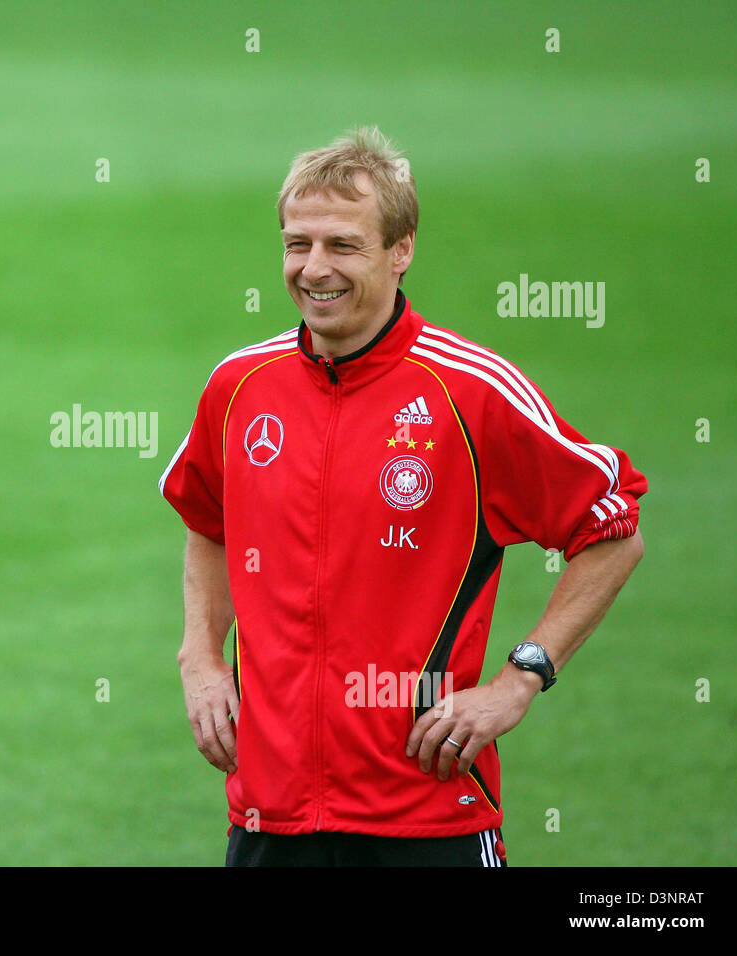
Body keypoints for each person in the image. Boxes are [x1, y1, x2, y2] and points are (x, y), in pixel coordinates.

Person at [158, 127, 646, 867]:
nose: (314, 268)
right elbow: (209, 517)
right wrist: (200, 656)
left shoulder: (471, 393)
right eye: (298, 244)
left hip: (428, 822)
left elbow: (611, 530)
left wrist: (519, 681)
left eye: (342, 245)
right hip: (268, 817)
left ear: (401, 250)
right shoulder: (239, 387)